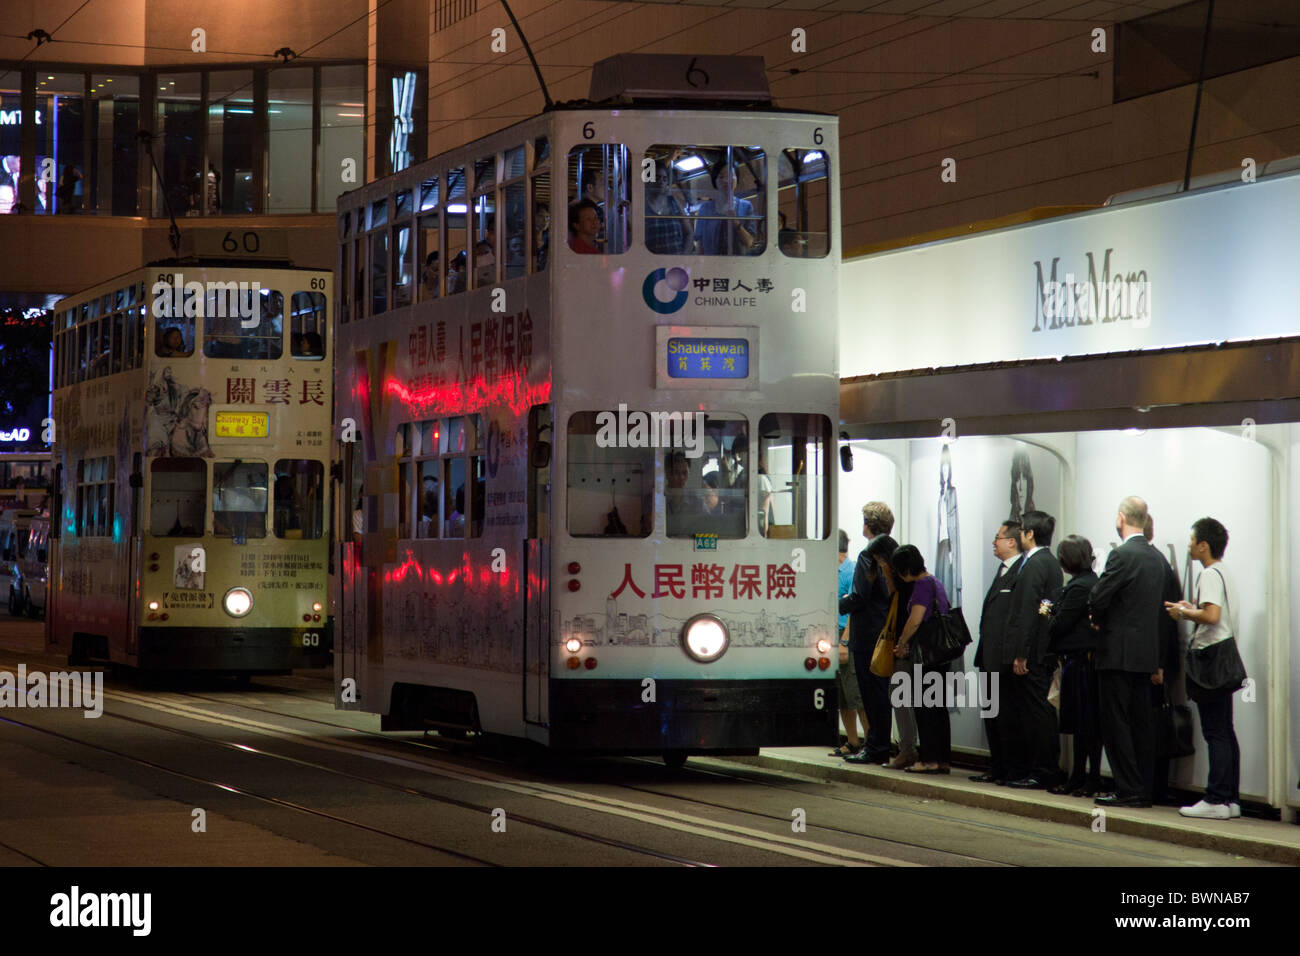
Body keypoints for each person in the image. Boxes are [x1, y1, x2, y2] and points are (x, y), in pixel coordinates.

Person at [1088, 495, 1167, 808]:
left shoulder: (1122, 554)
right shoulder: (1156, 558)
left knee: (1116, 722)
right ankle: (1143, 788)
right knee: (1141, 723)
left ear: (1121, 518)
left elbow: (1099, 595)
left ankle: (1126, 788)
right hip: (1145, 654)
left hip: (1117, 652)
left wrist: (1097, 618)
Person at [1166, 518, 1241, 820]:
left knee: (1215, 732)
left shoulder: (1209, 574)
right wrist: (1190, 607)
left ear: (1204, 545)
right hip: (1226, 659)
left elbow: (1211, 616)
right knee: (1225, 730)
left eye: (1192, 539)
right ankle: (1231, 799)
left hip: (1211, 660)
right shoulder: (1224, 572)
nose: (1189, 545)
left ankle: (1216, 798)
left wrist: (1183, 612)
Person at [1002, 510, 1065, 789]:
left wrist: (1021, 652)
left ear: (1029, 534)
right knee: (1040, 710)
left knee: (1037, 711)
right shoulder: (1050, 563)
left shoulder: (1035, 564)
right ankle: (1041, 767)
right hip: (1043, 649)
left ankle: (1041, 769)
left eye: (1023, 530)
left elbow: (1029, 611)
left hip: (1033, 652)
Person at [840, 503, 900, 766]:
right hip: (887, 630)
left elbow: (860, 596)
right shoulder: (894, 550)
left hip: (867, 634)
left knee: (871, 694)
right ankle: (881, 746)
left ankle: (875, 748)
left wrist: (839, 602)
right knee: (881, 693)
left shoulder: (869, 553)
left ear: (868, 524)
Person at [1046, 535, 1102, 796]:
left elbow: (1058, 624)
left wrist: (1047, 610)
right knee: (1084, 725)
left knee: (1085, 725)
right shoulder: (1089, 583)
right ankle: (1081, 777)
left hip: (1081, 663)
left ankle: (1086, 778)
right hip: (1083, 662)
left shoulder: (1079, 587)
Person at [970, 520, 1025, 784]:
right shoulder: (1002, 570)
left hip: (1003, 659)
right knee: (990, 714)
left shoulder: (1022, 572)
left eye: (998, 537)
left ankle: (1010, 768)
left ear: (1012, 541)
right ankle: (997, 766)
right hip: (988, 656)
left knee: (1006, 716)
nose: (994, 542)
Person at [891, 545, 952, 774]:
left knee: (925, 706)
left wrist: (902, 642)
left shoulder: (922, 586)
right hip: (940, 655)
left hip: (926, 655)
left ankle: (928, 760)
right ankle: (943, 759)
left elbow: (915, 620)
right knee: (938, 707)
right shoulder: (935, 582)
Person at [1145, 513, 1184, 805]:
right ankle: (1152, 785)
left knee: (1151, 723)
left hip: (1155, 660)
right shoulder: (1161, 563)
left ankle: (1153, 786)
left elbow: (1162, 619)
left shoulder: (1154, 565)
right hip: (1158, 658)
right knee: (1151, 721)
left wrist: (1157, 663)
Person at [831, 529, 868, 756]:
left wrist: (844, 641)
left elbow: (855, 611)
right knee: (843, 696)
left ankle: (870, 741)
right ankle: (852, 742)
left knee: (856, 694)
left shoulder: (852, 571)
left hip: (846, 635)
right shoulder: (830, 571)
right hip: (831, 635)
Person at [696, 163, 757, 255]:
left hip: (738, 265)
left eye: (730, 176)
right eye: (721, 177)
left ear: (737, 179)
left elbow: (750, 243)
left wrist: (735, 222)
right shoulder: (705, 209)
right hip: (712, 264)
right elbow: (700, 244)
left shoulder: (746, 206)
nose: (726, 180)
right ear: (714, 181)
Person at [935, 444, 962, 609]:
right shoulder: (940, 495)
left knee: (949, 582)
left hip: (950, 546)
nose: (945, 472)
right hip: (942, 545)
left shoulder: (952, 494)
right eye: (942, 468)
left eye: (947, 468)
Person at [645, 161, 692, 254]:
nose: (661, 182)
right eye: (657, 178)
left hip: (676, 264)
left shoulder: (673, 202)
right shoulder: (642, 206)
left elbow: (689, 233)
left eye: (664, 179)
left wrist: (684, 257)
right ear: (648, 180)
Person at [1009, 449, 1035, 523]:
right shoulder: (1012, 518)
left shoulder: (1034, 519)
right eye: (1017, 480)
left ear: (1030, 483)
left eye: (1024, 479)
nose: (1020, 488)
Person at [534, 203, 550, 270]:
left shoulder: (549, 239)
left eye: (547, 217)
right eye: (541, 216)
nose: (545, 220)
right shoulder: (526, 236)